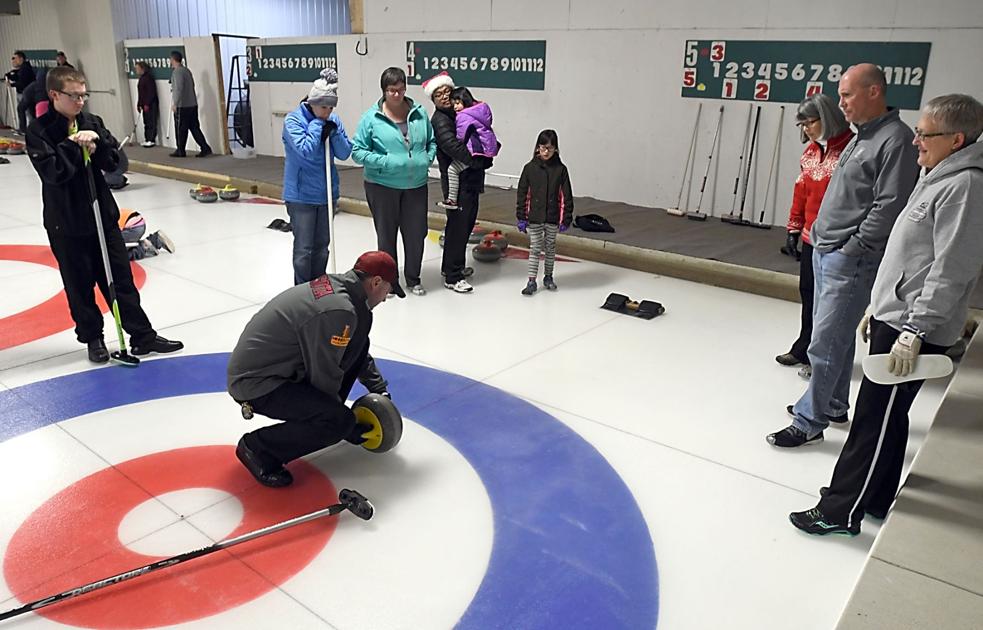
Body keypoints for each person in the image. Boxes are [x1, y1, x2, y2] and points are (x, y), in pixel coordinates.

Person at [790, 93, 983, 536]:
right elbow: (912, 254)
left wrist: (914, 328)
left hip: (913, 327)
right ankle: (875, 497)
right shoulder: (937, 174)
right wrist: (880, 306)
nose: (915, 141)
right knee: (889, 418)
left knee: (872, 421)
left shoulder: (964, 186)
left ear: (956, 139)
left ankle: (840, 511)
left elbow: (951, 269)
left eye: (924, 134)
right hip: (896, 317)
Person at [767, 64, 919, 448]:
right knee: (836, 335)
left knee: (824, 342)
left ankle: (809, 421)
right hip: (825, 248)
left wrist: (854, 246)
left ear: (873, 92)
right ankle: (833, 405)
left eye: (847, 95)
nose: (841, 103)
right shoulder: (860, 136)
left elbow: (889, 205)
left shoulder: (895, 140)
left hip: (850, 257)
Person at [25, 66, 183, 363]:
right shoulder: (39, 130)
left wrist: (96, 144)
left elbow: (113, 163)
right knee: (79, 284)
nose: (80, 102)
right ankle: (93, 338)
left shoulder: (91, 121)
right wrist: (73, 146)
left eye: (84, 95)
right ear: (55, 94)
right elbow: (54, 173)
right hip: (67, 223)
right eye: (74, 96)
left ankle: (142, 335)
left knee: (120, 279)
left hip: (103, 218)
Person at [227, 250, 403, 488]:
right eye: (388, 291)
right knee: (335, 421)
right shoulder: (339, 311)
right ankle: (258, 448)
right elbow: (324, 374)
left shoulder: (345, 294)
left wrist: (380, 391)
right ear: (376, 282)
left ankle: (326, 419)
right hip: (257, 383)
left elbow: (358, 348)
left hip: (282, 367)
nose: (385, 298)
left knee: (357, 341)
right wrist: (341, 424)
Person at [775, 94, 853, 372]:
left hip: (837, 241)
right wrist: (793, 228)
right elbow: (801, 191)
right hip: (811, 236)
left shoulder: (850, 150)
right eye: (802, 124)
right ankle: (804, 346)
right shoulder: (809, 152)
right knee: (808, 293)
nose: (806, 129)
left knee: (830, 300)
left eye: (811, 122)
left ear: (829, 118)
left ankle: (824, 358)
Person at [352, 67, 435, 296]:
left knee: (416, 233)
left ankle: (413, 278)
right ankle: (390, 282)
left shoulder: (419, 113)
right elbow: (357, 151)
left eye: (400, 89)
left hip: (416, 184)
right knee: (387, 235)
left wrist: (426, 159)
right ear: (384, 91)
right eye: (391, 91)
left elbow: (431, 141)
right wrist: (386, 162)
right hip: (382, 185)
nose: (397, 95)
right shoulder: (371, 118)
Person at [282, 68, 352, 285]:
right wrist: (317, 126)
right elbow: (306, 151)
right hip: (301, 195)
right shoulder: (293, 121)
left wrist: (335, 132)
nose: (328, 111)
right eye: (324, 106)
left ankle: (319, 286)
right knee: (304, 248)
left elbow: (344, 152)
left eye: (331, 107)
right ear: (311, 102)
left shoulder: (332, 120)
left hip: (326, 194)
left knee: (322, 246)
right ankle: (302, 290)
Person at [424, 72, 489, 294]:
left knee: (465, 226)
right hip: (457, 183)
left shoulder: (460, 113)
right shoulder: (440, 120)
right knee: (457, 228)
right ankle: (453, 276)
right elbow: (454, 148)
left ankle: (453, 266)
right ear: (433, 100)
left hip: (469, 179)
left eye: (446, 92)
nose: (444, 97)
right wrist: (480, 160)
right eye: (438, 94)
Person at [516, 129, 574, 295]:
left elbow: (566, 196)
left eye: (549, 148)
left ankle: (548, 276)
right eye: (543, 147)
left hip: (552, 218)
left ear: (555, 149)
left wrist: (566, 218)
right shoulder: (529, 169)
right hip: (534, 217)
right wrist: (522, 216)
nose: (546, 151)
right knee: (535, 248)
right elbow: (523, 194)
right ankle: (531, 280)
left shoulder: (561, 170)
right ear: (537, 148)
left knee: (550, 248)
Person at [437, 85, 499, 210]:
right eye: (454, 104)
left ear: (465, 101)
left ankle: (452, 200)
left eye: (457, 103)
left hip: (476, 152)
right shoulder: (480, 110)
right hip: (485, 150)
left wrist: (459, 140)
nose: (455, 107)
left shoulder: (463, 116)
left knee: (452, 169)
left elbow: (461, 135)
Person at [168, 50, 211, 158]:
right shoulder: (187, 71)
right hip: (192, 104)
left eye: (170, 59)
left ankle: (180, 150)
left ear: (173, 60)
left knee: (180, 129)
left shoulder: (177, 72)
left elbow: (178, 89)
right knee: (194, 127)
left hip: (183, 106)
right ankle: (205, 147)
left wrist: (175, 103)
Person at [5, 51, 36, 133]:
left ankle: (28, 130)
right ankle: (26, 129)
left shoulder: (25, 69)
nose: (14, 60)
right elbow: (16, 75)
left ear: (21, 58)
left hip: (26, 93)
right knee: (24, 111)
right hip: (23, 93)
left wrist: (12, 85)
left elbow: (23, 82)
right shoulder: (22, 69)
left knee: (27, 112)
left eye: (15, 58)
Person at [135, 61, 159, 147]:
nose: (136, 70)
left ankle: (151, 139)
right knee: (146, 122)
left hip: (151, 104)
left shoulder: (148, 78)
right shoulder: (141, 79)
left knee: (151, 121)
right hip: (144, 104)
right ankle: (147, 138)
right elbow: (141, 93)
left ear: (142, 68)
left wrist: (147, 104)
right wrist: (139, 104)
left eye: (137, 69)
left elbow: (151, 93)